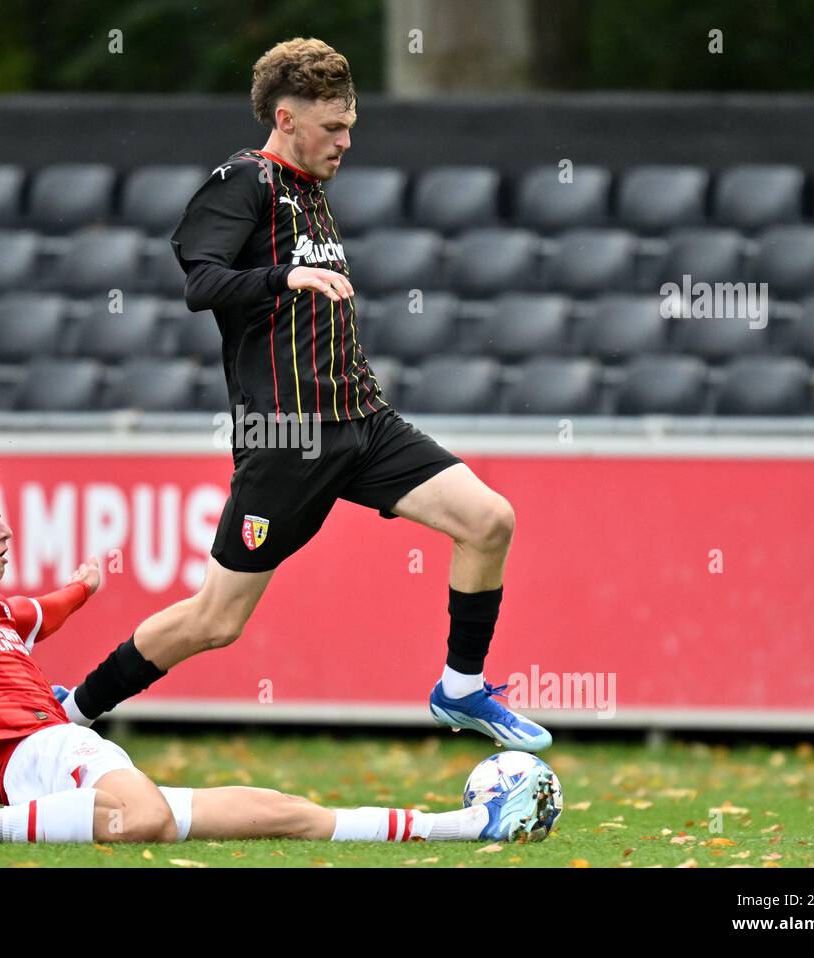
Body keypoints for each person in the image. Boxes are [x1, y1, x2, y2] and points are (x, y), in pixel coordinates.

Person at [58, 37, 551, 752]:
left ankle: (462, 689)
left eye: (351, 126)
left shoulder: (310, 191)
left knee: (489, 521)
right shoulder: (242, 180)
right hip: (288, 440)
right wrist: (283, 277)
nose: (347, 141)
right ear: (285, 118)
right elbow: (201, 284)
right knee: (216, 622)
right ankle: (72, 711)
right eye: (333, 127)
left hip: (363, 421)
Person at [0, 453, 554, 845]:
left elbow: (42, 611)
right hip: (28, 755)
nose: (5, 532)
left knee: (286, 813)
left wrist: (86, 588)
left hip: (68, 750)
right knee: (138, 820)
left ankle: (467, 823)